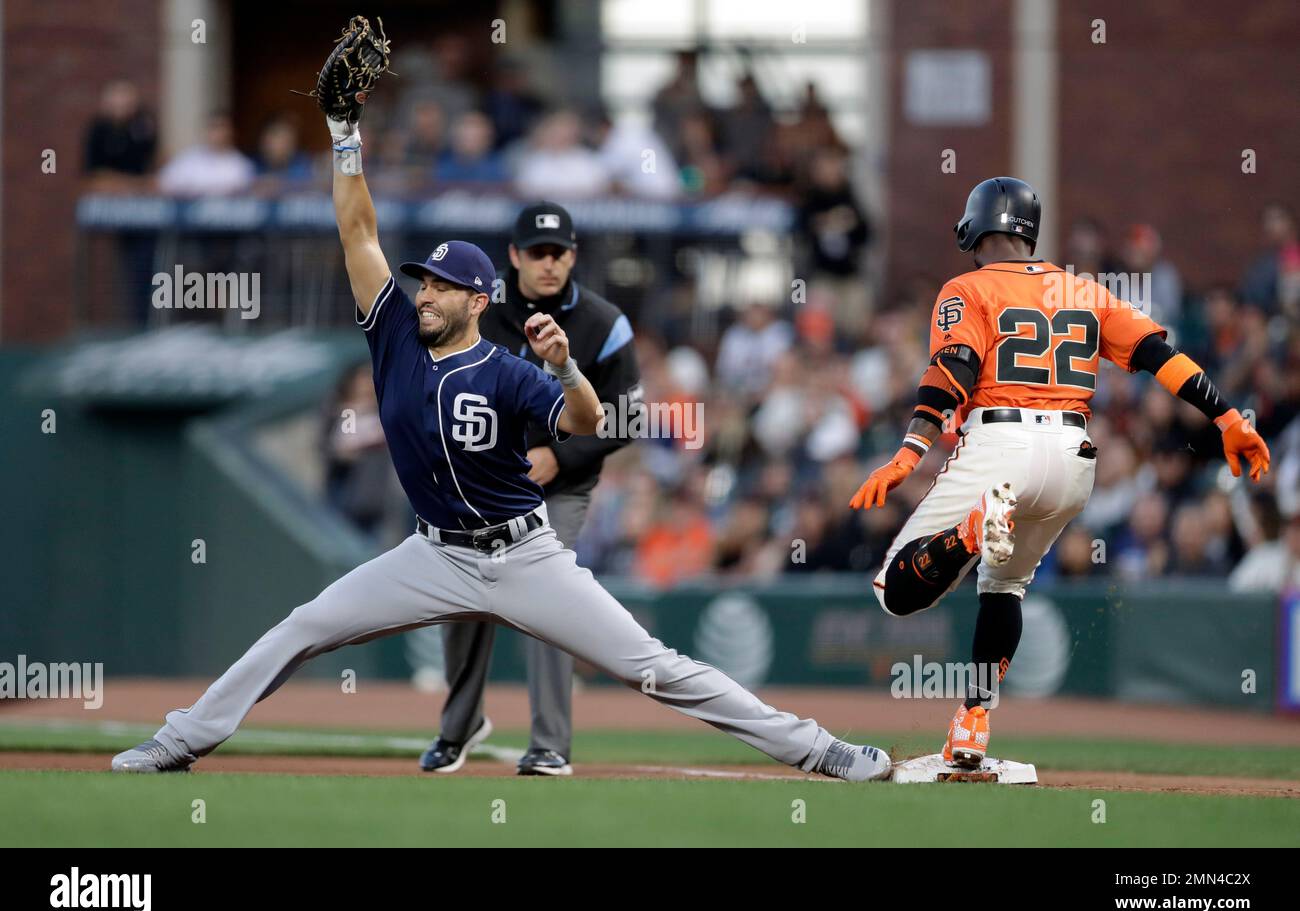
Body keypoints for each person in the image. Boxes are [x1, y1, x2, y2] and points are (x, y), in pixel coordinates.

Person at [110, 55, 889, 784]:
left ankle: (820, 748)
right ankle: (179, 739)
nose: (425, 294)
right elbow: (358, 232)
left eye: (442, 286)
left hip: (524, 556)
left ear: (477, 300)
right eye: (424, 282)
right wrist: (345, 136)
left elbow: (585, 422)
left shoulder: (511, 369)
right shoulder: (392, 336)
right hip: (429, 555)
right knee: (301, 626)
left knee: (657, 668)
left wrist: (565, 366)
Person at [849, 177, 1271, 768]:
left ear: (973, 230)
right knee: (1002, 586)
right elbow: (1159, 356)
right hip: (1074, 456)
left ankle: (972, 533)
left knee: (896, 591)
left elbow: (956, 367)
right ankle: (972, 724)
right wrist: (1227, 415)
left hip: (1001, 443)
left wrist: (910, 451)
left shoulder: (966, 287)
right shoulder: (1084, 289)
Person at [421, 201, 641, 777]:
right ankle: (460, 724)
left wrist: (557, 454)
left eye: (558, 252)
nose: (548, 263)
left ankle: (549, 744)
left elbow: (628, 419)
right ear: (513, 256)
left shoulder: (603, 322)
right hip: (482, 485)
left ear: (572, 256)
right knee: (459, 601)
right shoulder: (480, 310)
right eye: (536, 252)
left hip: (559, 487)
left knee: (548, 602)